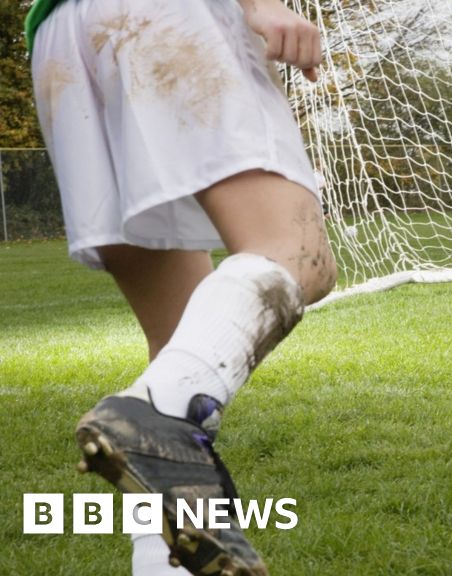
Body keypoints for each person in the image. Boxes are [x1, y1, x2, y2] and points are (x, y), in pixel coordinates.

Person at [26, 0, 336, 574]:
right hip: (167, 14)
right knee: (299, 254)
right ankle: (155, 413)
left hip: (62, 37)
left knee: (177, 351)